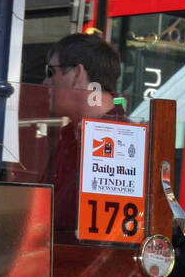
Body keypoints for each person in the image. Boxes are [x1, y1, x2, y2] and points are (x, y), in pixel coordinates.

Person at [43, 32, 127, 231]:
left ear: (76, 74)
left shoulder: (123, 144)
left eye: (50, 72)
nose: (45, 83)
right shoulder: (72, 138)